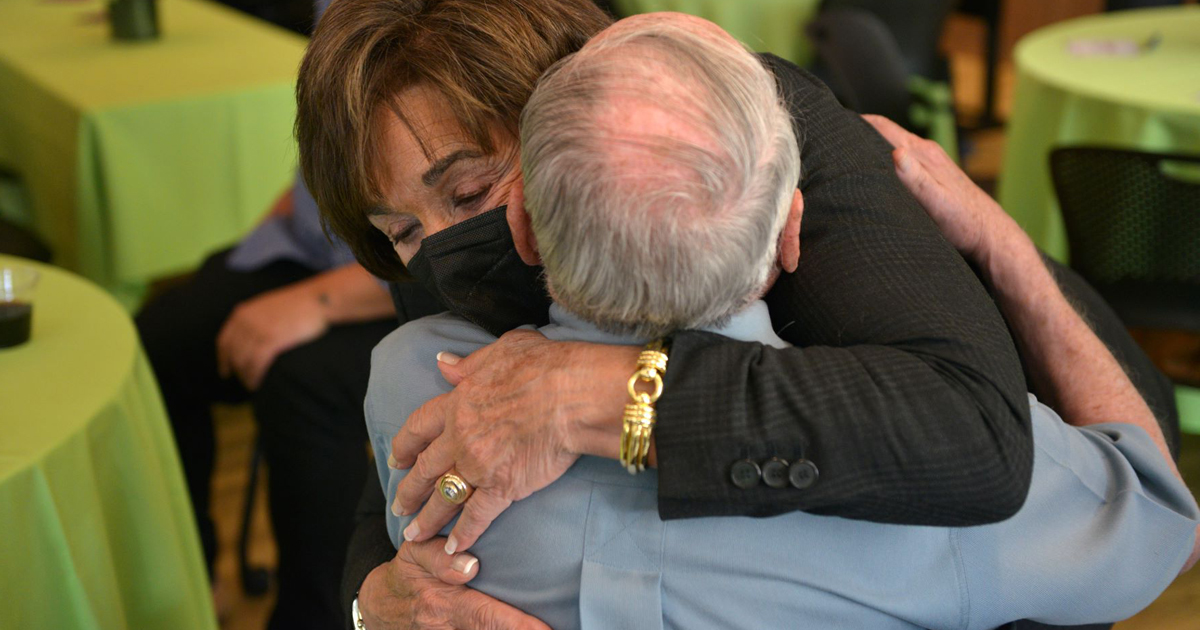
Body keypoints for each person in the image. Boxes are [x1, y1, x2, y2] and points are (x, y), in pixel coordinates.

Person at [291, 1, 1180, 627]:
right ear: (784, 235)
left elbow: (969, 436)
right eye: (404, 231)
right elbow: (1157, 519)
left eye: (470, 191)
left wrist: (605, 395)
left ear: (531, 198)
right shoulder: (947, 541)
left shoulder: (413, 372)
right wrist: (376, 604)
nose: (442, 255)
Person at [136, 174, 402, 629]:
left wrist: (316, 302)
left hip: (408, 281)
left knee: (303, 383)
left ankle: (316, 617)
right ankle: (194, 576)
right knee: (159, 336)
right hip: (310, 250)